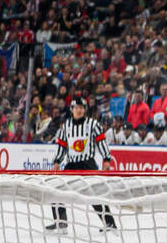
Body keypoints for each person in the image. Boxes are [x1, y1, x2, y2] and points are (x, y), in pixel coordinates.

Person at [46, 97, 117, 232]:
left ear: (84, 110)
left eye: (81, 108)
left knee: (95, 194)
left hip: (87, 164)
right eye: (76, 108)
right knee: (56, 189)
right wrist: (57, 161)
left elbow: (101, 142)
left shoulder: (93, 124)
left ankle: (110, 224)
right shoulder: (66, 126)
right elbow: (62, 146)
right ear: (72, 110)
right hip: (71, 164)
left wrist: (106, 159)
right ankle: (61, 222)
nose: (79, 110)